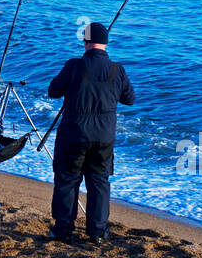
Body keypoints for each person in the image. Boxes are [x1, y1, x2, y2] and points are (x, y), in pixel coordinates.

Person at [46, 21, 135, 243]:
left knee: (67, 180)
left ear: (85, 41)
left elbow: (53, 91)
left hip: (73, 134)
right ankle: (97, 232)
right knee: (99, 182)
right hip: (103, 138)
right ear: (105, 43)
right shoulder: (117, 69)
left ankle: (63, 229)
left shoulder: (74, 66)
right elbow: (130, 99)